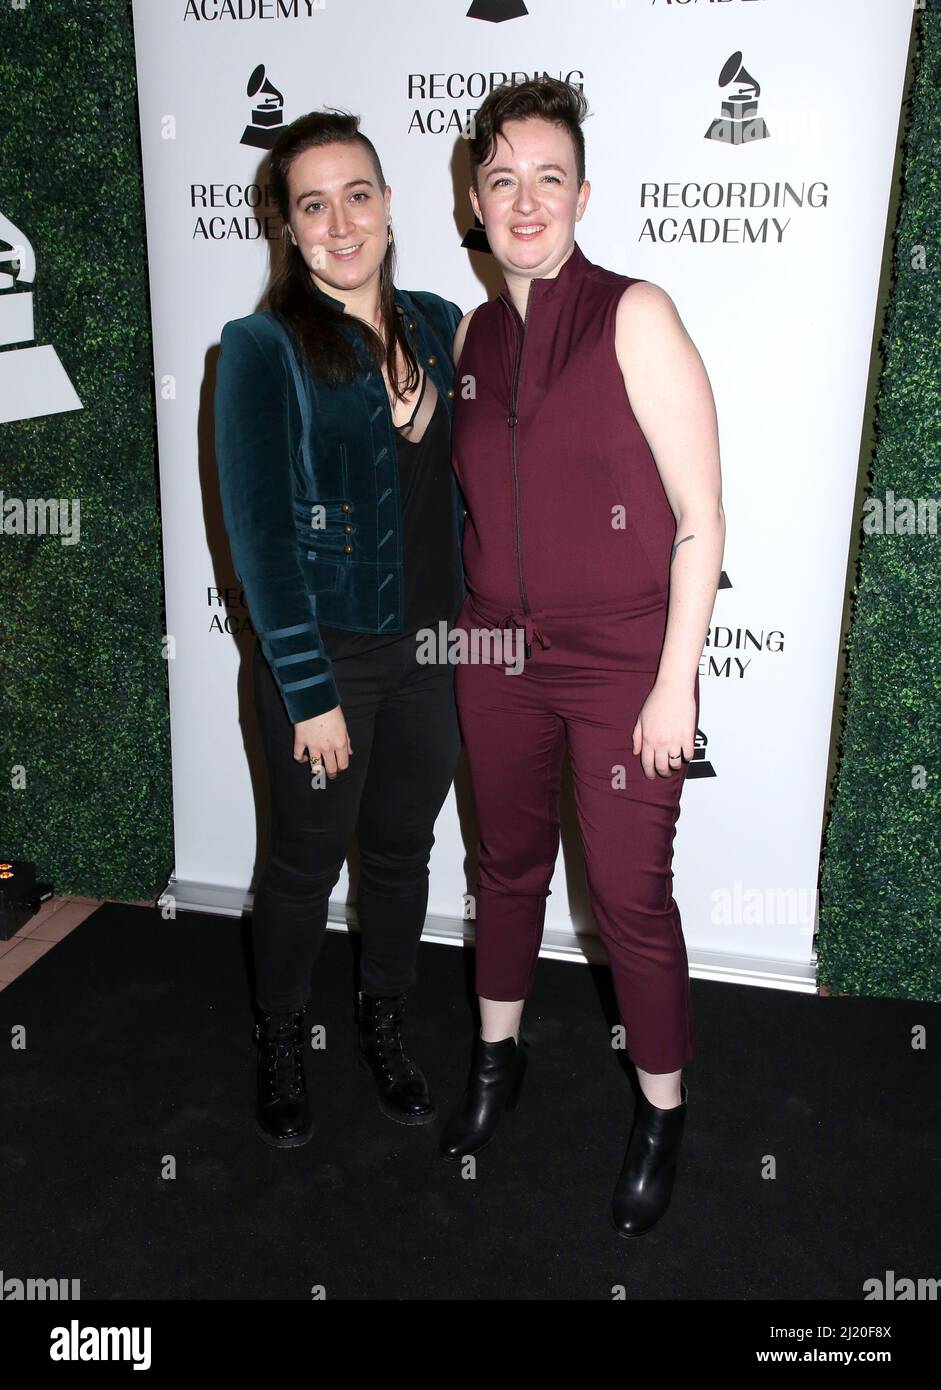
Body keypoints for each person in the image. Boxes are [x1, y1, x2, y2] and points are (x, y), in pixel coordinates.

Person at [440, 78, 725, 1237]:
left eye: (546, 177)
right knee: (502, 870)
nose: (524, 198)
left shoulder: (633, 313)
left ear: (581, 194)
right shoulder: (469, 334)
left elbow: (700, 519)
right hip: (495, 655)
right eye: (501, 177)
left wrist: (674, 679)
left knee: (626, 898)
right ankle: (497, 1062)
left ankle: (659, 1111)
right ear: (475, 197)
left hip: (619, 666)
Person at [214, 111, 467, 1148]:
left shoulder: (443, 320)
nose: (339, 220)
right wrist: (307, 688)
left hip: (433, 656)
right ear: (287, 225)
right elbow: (259, 538)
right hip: (322, 660)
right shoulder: (259, 348)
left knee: (403, 854)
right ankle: (281, 1035)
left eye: (355, 193)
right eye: (311, 204)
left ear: (387, 201)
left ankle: (382, 1022)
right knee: (302, 867)